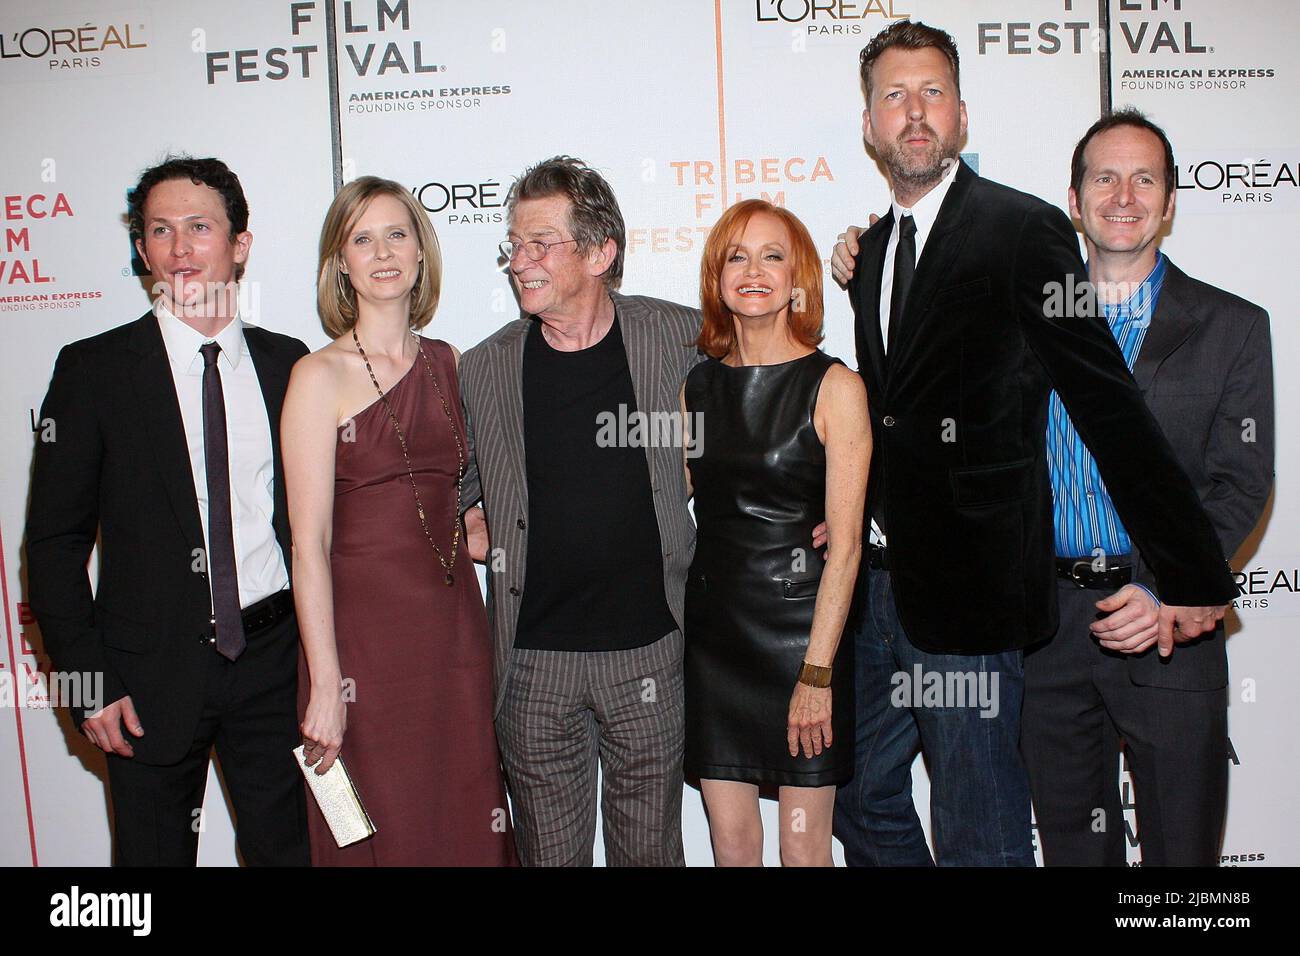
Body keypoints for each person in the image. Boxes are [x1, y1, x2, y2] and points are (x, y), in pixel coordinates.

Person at [826, 20, 1237, 866]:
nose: (914, 112)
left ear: (963, 118)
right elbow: (894, 412)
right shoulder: (868, 256)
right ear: (868, 125)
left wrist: (1194, 572)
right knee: (857, 801)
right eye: (893, 95)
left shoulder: (1025, 231)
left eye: (932, 92)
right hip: (877, 594)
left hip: (973, 596)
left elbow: (1107, 403)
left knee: (980, 826)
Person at [26, 157, 310, 865]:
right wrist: (88, 682)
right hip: (143, 675)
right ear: (142, 250)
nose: (179, 248)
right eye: (159, 230)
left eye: (199, 227)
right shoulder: (94, 371)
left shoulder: (290, 366)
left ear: (239, 244)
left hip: (276, 664)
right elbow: (55, 543)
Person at [1020, 110, 1274, 866]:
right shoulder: (1028, 323)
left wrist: (1167, 591)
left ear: (1168, 203)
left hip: (1171, 623)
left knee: (1182, 862)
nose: (1124, 195)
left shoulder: (1232, 326)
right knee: (1072, 850)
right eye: (1105, 177)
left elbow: (1241, 480)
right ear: (1074, 199)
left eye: (1145, 180)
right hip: (1047, 629)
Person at [458, 156, 700, 866]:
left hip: (650, 650)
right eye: (515, 245)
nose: (521, 262)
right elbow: (446, 486)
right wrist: (472, 534)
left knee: (651, 856)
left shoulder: (680, 339)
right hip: (533, 663)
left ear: (601, 253)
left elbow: (780, 397)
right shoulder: (485, 367)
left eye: (540, 244)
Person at [282, 176, 516, 866]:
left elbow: (453, 505)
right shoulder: (315, 377)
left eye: (397, 234)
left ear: (421, 252)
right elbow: (308, 542)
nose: (382, 253)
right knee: (378, 826)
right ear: (340, 263)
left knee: (466, 817)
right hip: (361, 650)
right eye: (362, 239)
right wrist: (327, 683)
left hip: (454, 636)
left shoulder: (449, 364)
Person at [683, 200, 869, 866]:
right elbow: (662, 500)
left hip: (803, 640)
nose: (753, 270)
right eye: (737, 255)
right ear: (717, 278)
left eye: (772, 255)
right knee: (732, 846)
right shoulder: (697, 388)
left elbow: (846, 550)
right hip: (716, 641)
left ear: (800, 279)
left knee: (803, 847)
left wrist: (817, 673)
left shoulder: (835, 386)